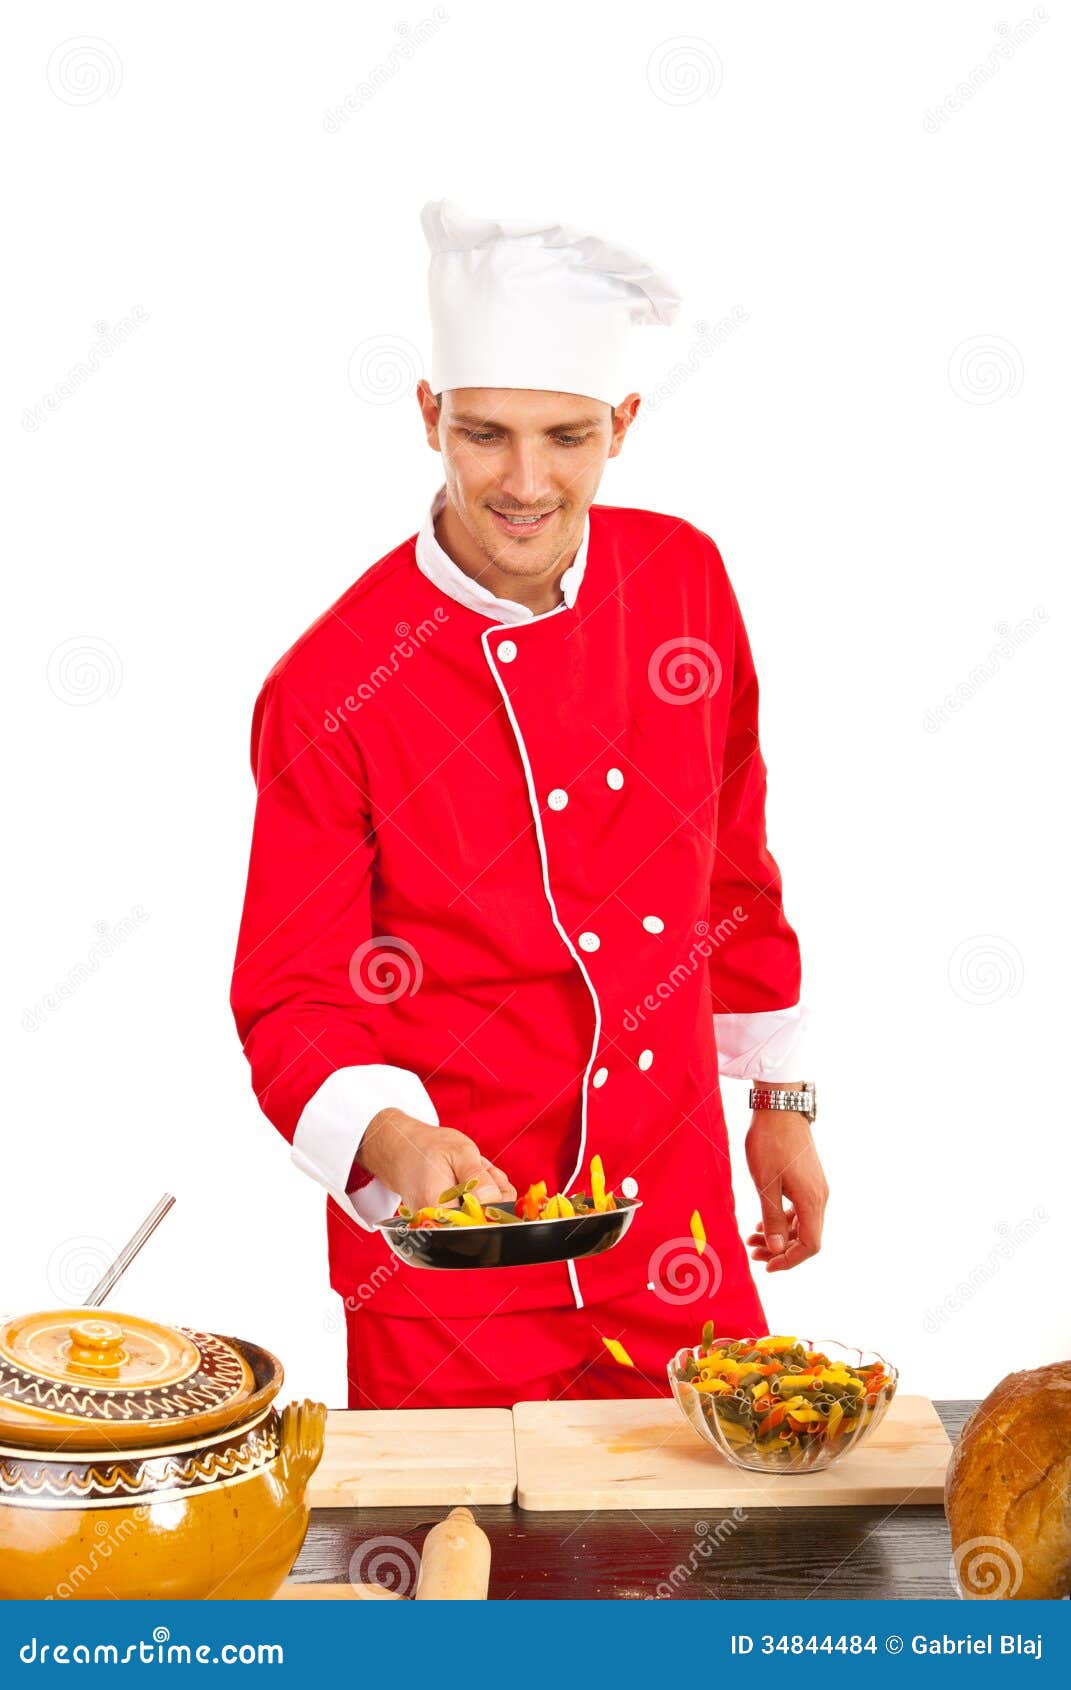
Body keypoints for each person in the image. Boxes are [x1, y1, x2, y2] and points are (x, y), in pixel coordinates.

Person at [230, 200, 827, 1409]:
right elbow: (293, 998)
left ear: (623, 427)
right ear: (427, 420)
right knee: (474, 1584)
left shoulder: (684, 583)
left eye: (566, 436)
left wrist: (780, 1100)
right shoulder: (333, 684)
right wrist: (393, 1146)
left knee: (722, 1574)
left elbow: (735, 867)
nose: (524, 482)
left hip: (672, 1223)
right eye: (484, 433)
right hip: (455, 1259)